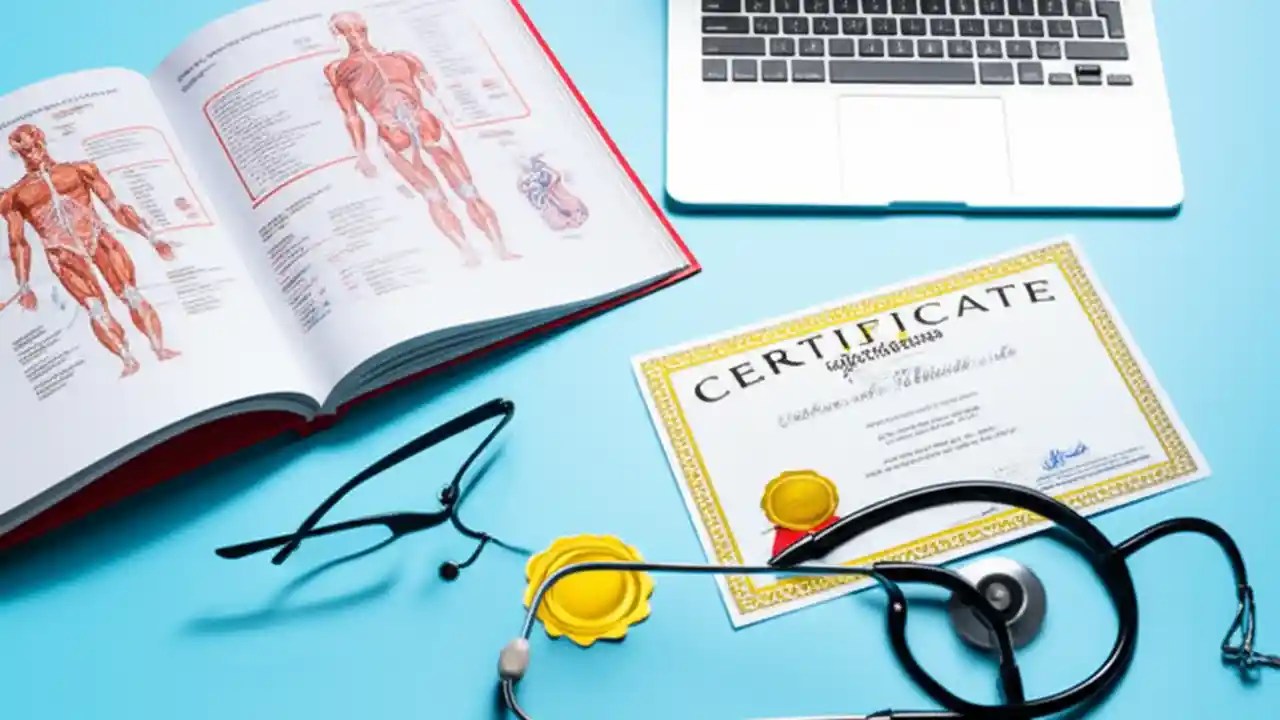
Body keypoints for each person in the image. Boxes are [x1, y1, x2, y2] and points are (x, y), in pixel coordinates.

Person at [325, 10, 518, 266]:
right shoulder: (404, 57)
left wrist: (362, 154)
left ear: (337, 36)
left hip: (393, 130)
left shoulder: (338, 68)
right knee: (467, 190)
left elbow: (351, 115)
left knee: (435, 196)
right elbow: (438, 95)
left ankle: (468, 251)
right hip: (423, 120)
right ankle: (499, 249)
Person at [1, 124, 180, 377]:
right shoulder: (14, 195)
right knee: (96, 309)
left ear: (42, 141)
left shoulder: (80, 170)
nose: (31, 154)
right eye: (24, 151)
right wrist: (24, 286)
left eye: (34, 146)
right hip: (62, 254)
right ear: (18, 153)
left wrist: (152, 237)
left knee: (131, 294)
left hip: (98, 238)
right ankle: (128, 360)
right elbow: (17, 241)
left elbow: (116, 207)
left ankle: (160, 350)